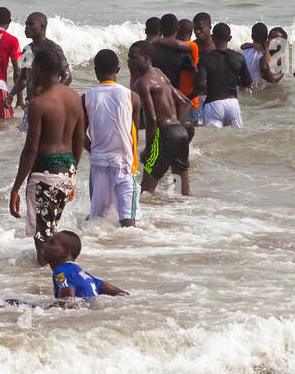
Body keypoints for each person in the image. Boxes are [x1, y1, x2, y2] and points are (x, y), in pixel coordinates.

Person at [10, 47, 84, 263]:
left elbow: (31, 150)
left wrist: (16, 187)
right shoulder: (74, 97)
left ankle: (57, 284)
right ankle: (61, 279)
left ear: (40, 69)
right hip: (67, 173)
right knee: (51, 233)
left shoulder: (38, 104)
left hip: (44, 176)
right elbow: (79, 139)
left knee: (43, 243)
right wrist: (73, 172)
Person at [84, 48, 140, 227]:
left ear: (95, 71)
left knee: (97, 221)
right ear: (118, 69)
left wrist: (93, 148)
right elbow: (134, 133)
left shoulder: (85, 97)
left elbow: (77, 134)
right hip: (123, 163)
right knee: (128, 222)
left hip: (98, 163)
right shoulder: (132, 97)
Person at [130, 40, 193, 196]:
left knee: (145, 191)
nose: (129, 62)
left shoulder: (142, 83)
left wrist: (149, 148)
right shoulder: (160, 73)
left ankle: (145, 221)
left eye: (133, 57)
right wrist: (176, 124)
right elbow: (185, 102)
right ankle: (188, 219)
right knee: (183, 192)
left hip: (164, 134)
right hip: (180, 133)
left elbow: (151, 119)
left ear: (146, 59)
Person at [40, 230, 128, 307]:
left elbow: (68, 304)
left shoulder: (61, 272)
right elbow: (124, 294)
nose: (44, 244)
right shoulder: (85, 275)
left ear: (65, 253)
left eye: (51, 243)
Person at [10, 12, 71, 116]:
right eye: (26, 24)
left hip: (50, 104)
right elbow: (23, 78)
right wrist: (11, 95)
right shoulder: (27, 50)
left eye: (31, 24)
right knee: (27, 132)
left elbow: (67, 76)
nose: (26, 27)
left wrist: (51, 95)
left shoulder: (53, 49)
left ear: (42, 27)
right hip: (31, 103)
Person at [197, 22, 252, 127]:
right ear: (230, 38)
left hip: (213, 104)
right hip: (233, 104)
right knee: (237, 138)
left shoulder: (205, 59)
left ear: (212, 37)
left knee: (215, 140)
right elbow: (247, 82)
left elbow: (200, 85)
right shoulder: (239, 57)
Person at [241, 22, 281, 88]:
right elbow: (272, 78)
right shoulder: (263, 55)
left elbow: (242, 46)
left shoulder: (244, 52)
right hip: (251, 89)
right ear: (267, 37)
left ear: (252, 36)